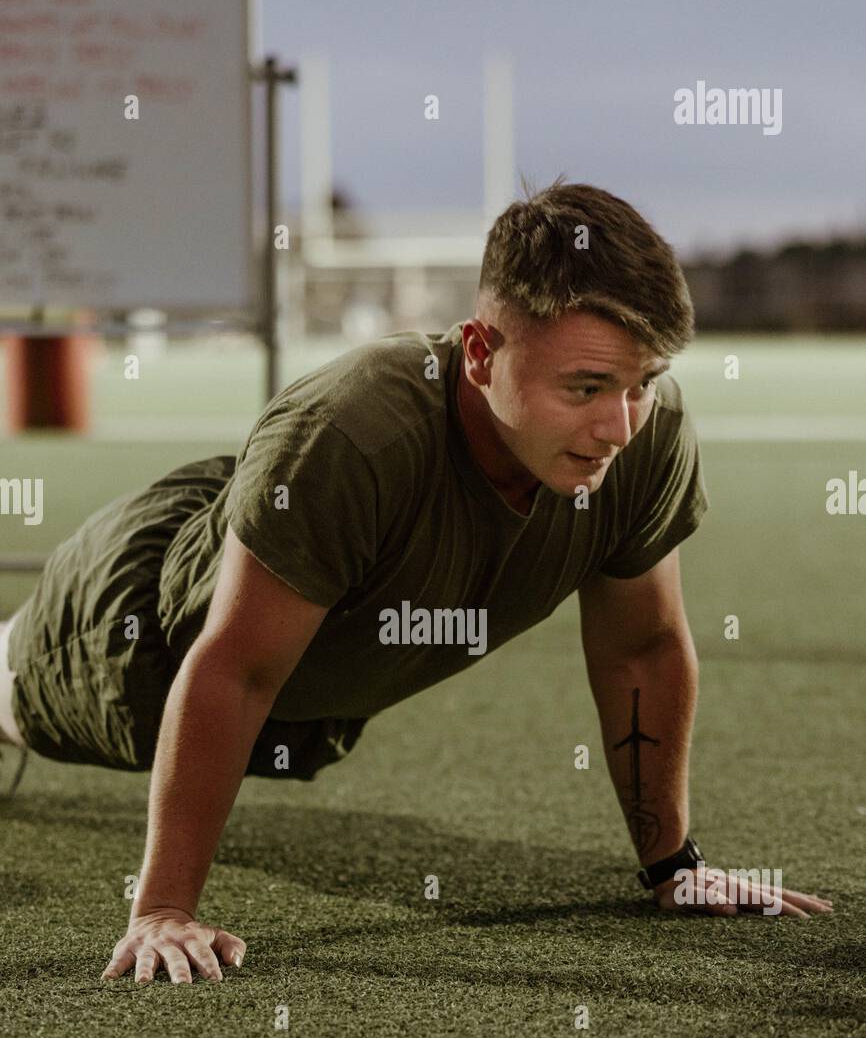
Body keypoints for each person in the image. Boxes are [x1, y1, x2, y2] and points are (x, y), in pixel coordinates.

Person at [0, 178, 832, 984]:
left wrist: (674, 865)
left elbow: (643, 649)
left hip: (306, 673)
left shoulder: (647, 436)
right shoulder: (353, 431)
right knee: (12, 700)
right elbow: (234, 668)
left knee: (283, 727)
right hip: (139, 626)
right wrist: (163, 908)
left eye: (641, 383)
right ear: (479, 354)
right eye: (584, 388)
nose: (618, 425)